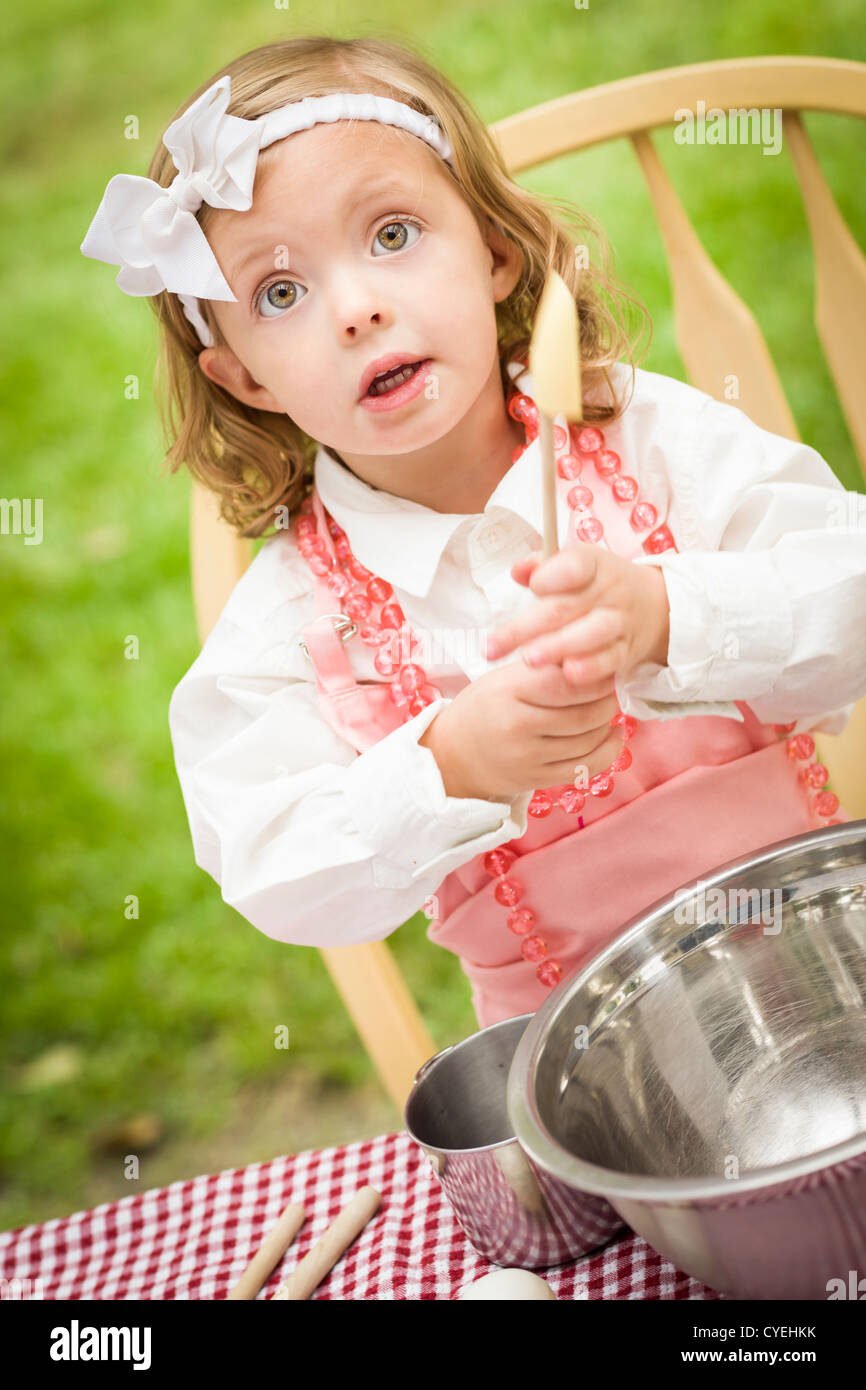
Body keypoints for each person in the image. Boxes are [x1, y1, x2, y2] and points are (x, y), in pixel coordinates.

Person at [80, 35, 866, 1029]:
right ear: (241, 376)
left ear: (493, 252)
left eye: (393, 235)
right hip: (578, 1077)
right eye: (280, 294)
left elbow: (850, 592)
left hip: (831, 974)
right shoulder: (299, 619)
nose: (357, 308)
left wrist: (669, 614)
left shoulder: (644, 440)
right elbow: (271, 864)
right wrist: (448, 764)